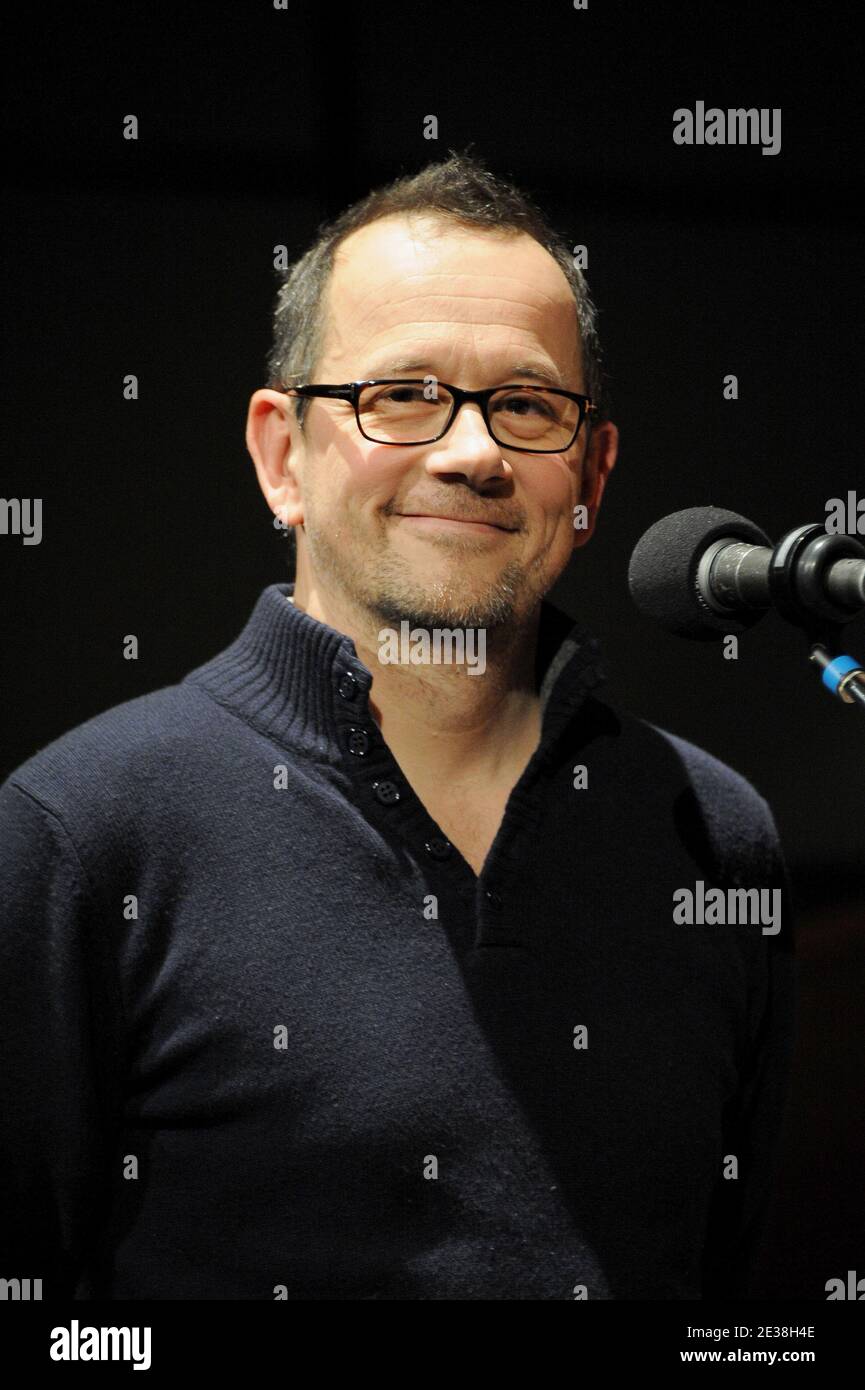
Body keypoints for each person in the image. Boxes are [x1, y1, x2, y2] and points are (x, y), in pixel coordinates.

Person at [0, 152, 795, 1300]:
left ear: (592, 477)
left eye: (525, 405)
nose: (471, 453)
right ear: (283, 454)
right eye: (403, 394)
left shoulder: (714, 835)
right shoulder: (78, 835)